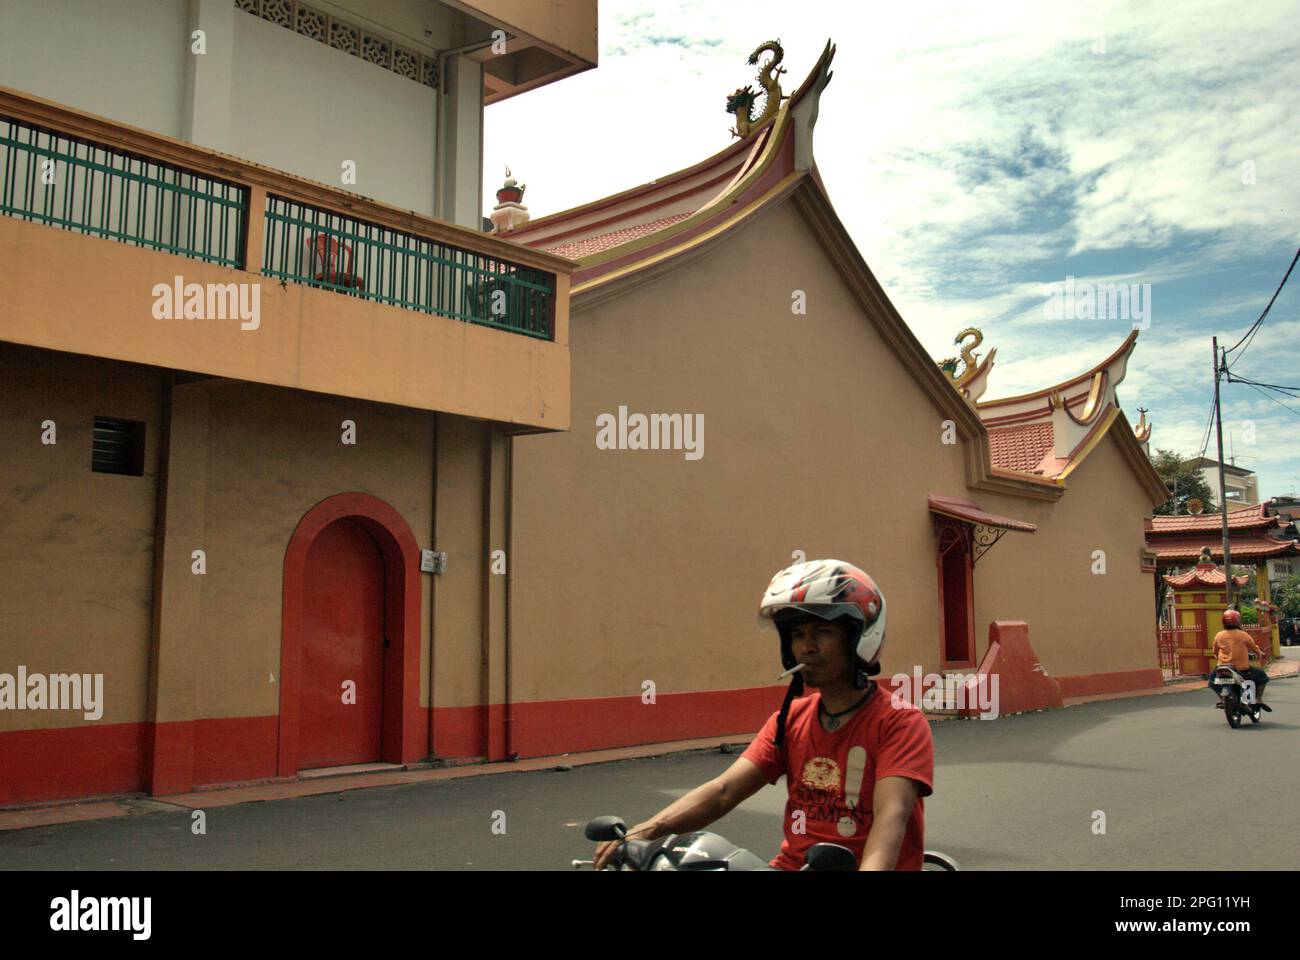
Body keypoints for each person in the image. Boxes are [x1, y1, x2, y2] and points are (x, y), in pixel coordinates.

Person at [593, 559, 934, 871]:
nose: (806, 646)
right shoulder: (790, 719)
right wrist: (643, 832)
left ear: (858, 638)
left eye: (823, 632)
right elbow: (723, 791)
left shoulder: (899, 722)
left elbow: (892, 816)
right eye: (798, 634)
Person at [1208, 609, 1271, 710]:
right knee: (1262, 676)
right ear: (1237, 620)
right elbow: (1254, 648)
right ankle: (1258, 699)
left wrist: (1217, 656)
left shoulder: (1219, 635)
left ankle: (1222, 700)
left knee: (1212, 682)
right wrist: (1260, 654)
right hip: (1241, 668)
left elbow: (1215, 651)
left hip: (1222, 667)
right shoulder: (1242, 634)